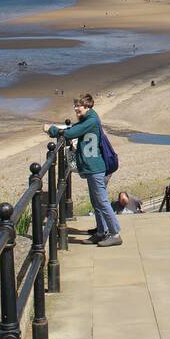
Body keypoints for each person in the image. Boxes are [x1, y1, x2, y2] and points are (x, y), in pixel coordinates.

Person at [45, 94, 121, 247]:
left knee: (102, 201)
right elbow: (75, 129)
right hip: (92, 167)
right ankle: (101, 232)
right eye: (75, 106)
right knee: (96, 201)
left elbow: (70, 133)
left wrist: (51, 130)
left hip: (96, 167)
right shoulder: (88, 119)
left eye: (78, 106)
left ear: (87, 106)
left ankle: (115, 234)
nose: (75, 108)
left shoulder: (91, 120)